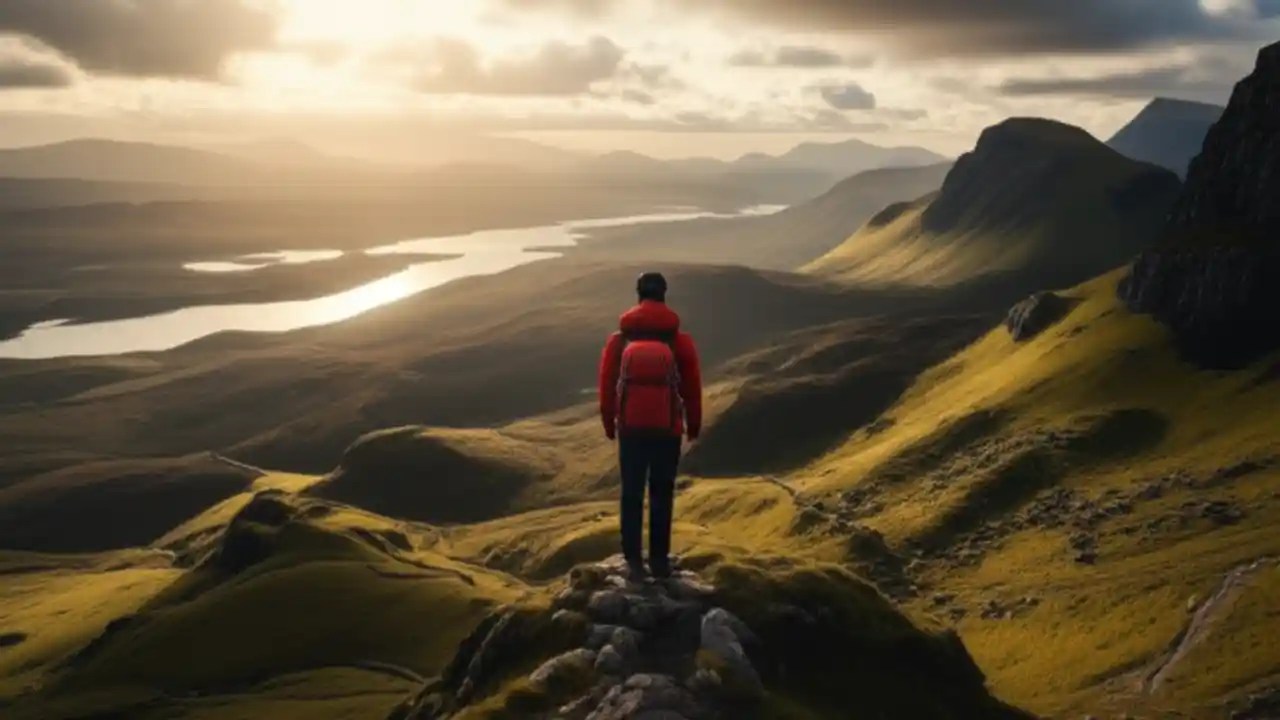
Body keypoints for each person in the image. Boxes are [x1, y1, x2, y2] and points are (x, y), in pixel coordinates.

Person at [598, 272, 702, 579]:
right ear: (664, 296)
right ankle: (659, 561)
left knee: (631, 494)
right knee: (661, 493)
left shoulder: (620, 340)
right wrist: (692, 425)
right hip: (666, 431)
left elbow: (606, 385)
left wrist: (610, 423)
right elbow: (692, 387)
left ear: (638, 296)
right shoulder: (679, 341)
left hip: (630, 430)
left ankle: (632, 560)